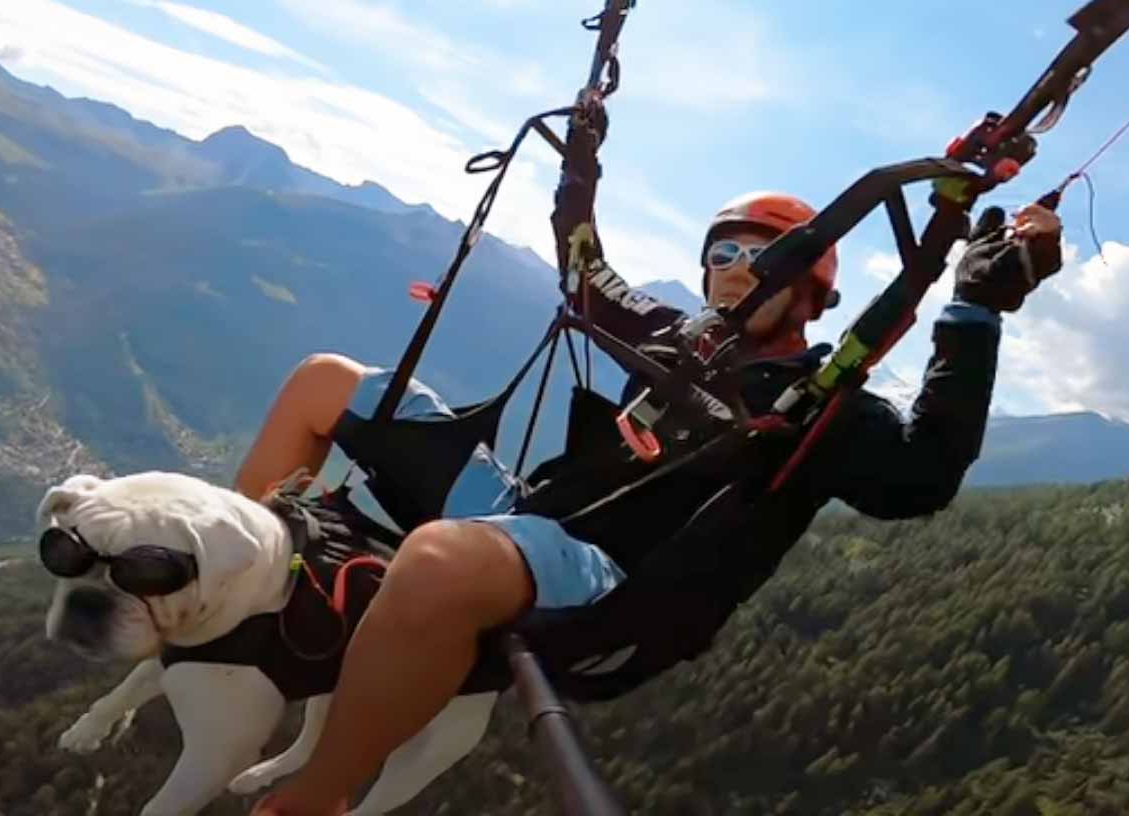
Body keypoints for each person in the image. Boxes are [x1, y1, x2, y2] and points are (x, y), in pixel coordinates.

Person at [238, 98, 1063, 815]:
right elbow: (585, 272)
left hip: (611, 580)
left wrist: (975, 311)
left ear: (812, 288)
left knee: (442, 560)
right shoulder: (680, 337)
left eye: (759, 256)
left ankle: (318, 796)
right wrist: (582, 156)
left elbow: (921, 478)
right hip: (525, 515)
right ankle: (243, 583)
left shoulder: (823, 406)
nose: (735, 271)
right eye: (722, 254)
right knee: (326, 382)